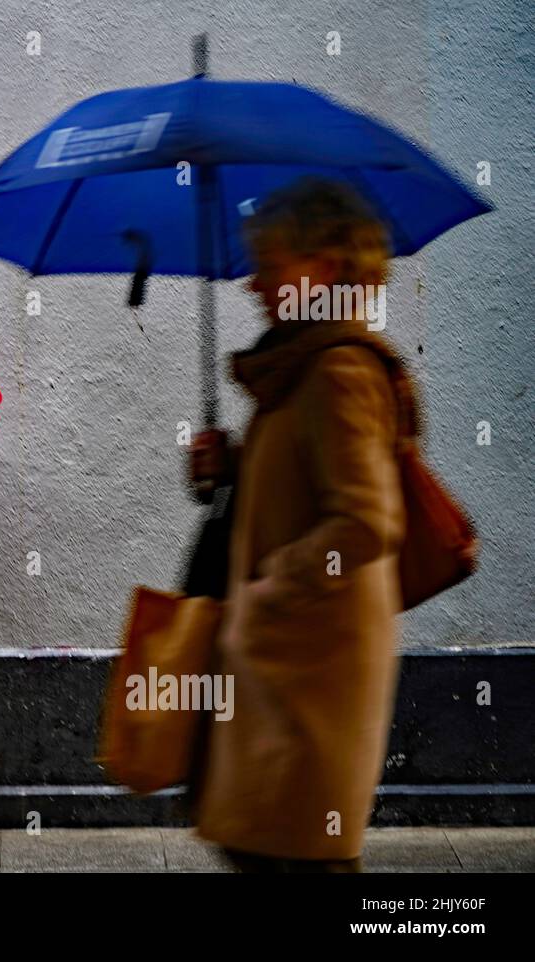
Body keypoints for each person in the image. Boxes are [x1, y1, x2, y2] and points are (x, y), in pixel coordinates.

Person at [188, 177, 410, 872]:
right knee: (266, 850)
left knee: (295, 859)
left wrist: (266, 595)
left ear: (324, 268)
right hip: (281, 670)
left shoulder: (340, 370)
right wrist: (231, 469)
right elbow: (299, 496)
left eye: (269, 264)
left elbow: (367, 522)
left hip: (310, 672)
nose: (253, 284)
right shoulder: (301, 369)